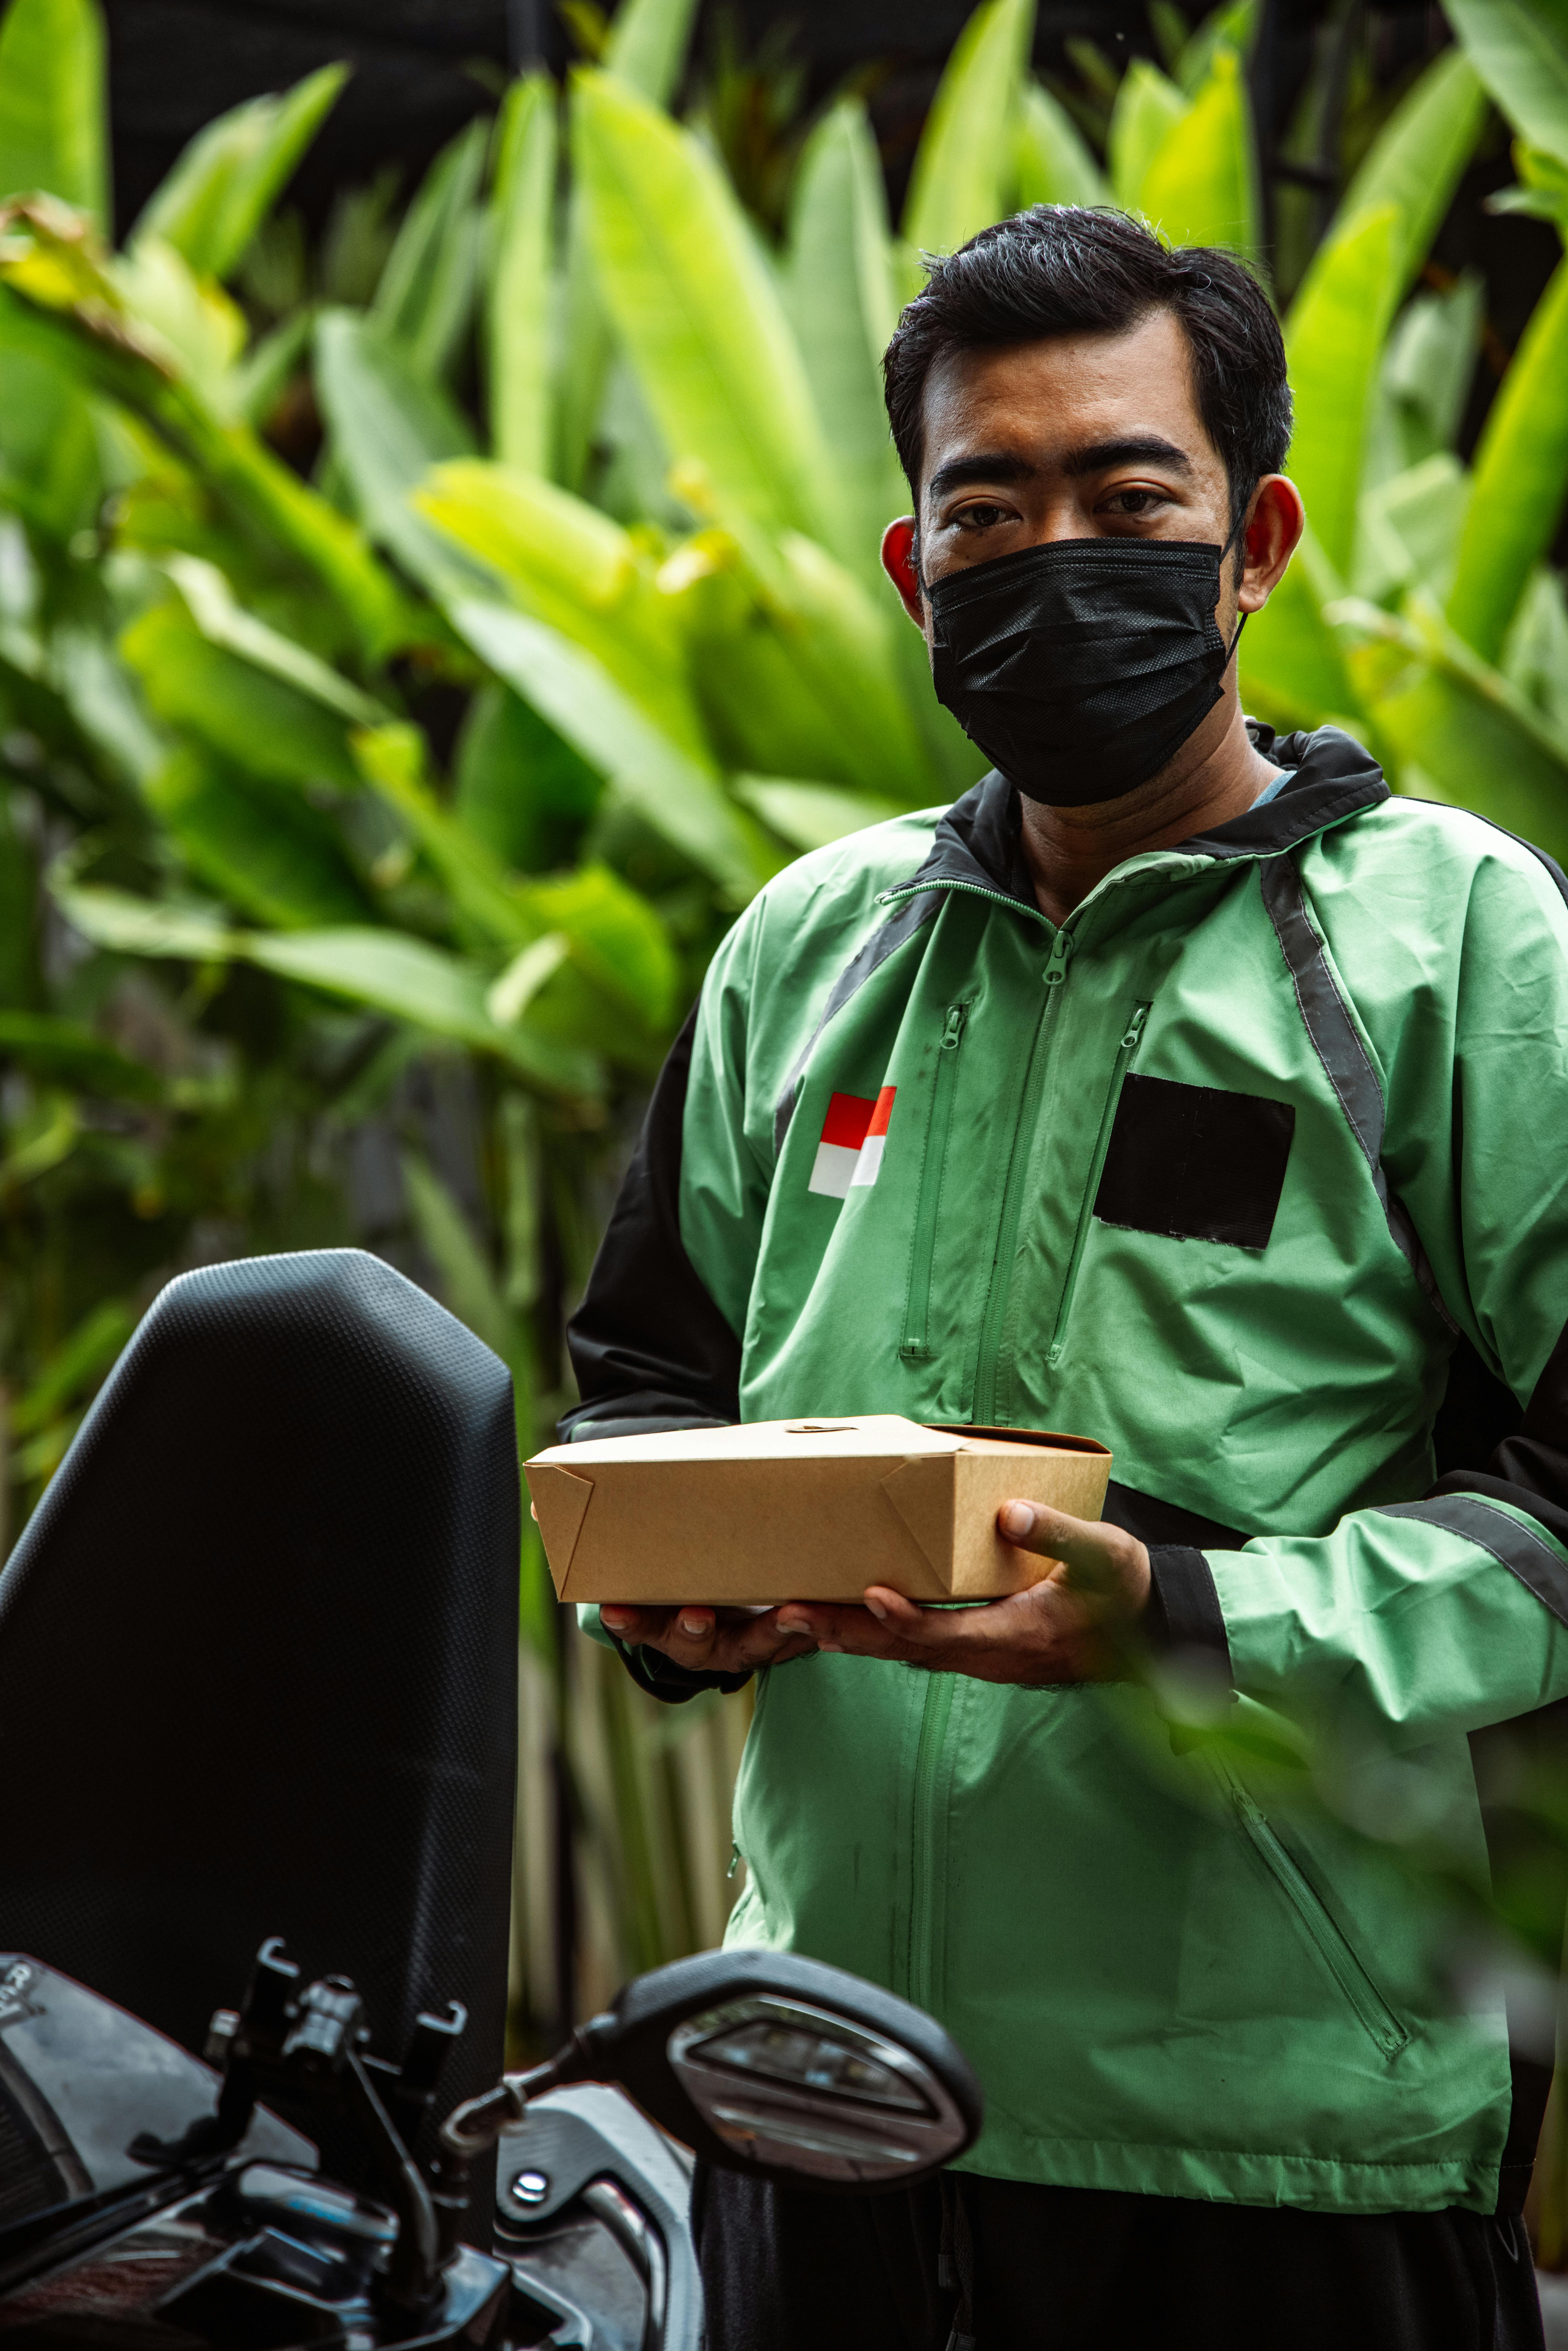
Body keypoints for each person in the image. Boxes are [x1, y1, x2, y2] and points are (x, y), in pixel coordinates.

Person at [560, 206, 1568, 2349]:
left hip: (1278, 2128)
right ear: (920, 571)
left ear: (1254, 540)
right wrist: (672, 1580)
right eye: (985, 510)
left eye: (1129, 498)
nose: (1052, 553)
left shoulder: (1457, 945)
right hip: (833, 2085)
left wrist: (1192, 1615)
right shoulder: (808, 948)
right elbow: (648, 1382)